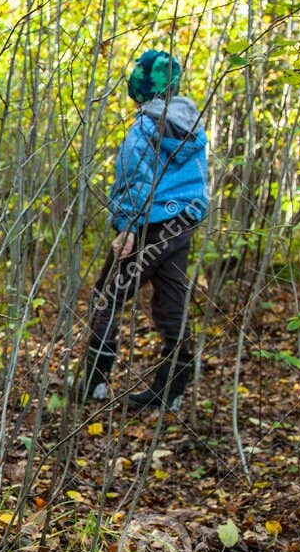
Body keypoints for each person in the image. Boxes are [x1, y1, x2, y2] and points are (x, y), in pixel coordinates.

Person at [75, 49, 209, 412]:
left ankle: (94, 383)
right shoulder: (193, 125)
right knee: (171, 303)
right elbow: (198, 182)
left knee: (107, 296)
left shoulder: (145, 126)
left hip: (148, 225)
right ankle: (172, 390)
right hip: (180, 225)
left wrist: (128, 227)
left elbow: (136, 179)